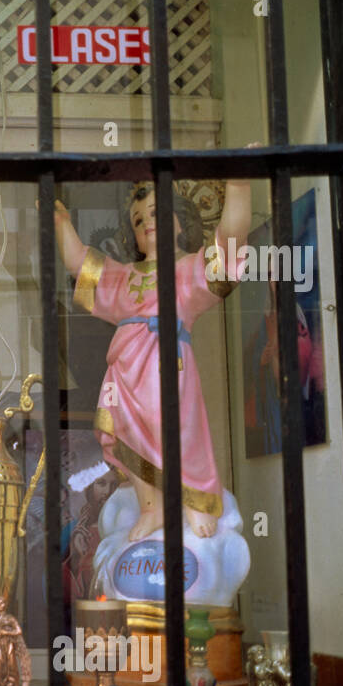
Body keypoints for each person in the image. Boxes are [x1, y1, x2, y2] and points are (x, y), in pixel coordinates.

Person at [48, 161, 255, 541]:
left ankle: (193, 501)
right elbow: (79, 261)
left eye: (157, 213)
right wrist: (59, 220)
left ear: (179, 222)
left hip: (168, 367)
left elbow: (229, 243)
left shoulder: (189, 269)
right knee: (123, 436)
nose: (147, 223)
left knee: (178, 429)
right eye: (138, 220)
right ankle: (152, 507)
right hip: (124, 373)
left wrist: (239, 183)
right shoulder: (123, 277)